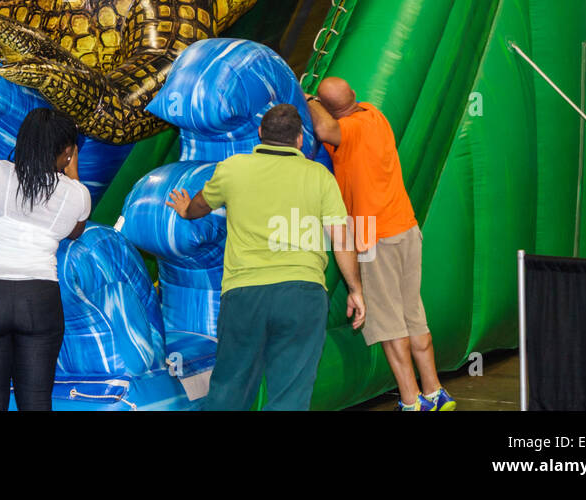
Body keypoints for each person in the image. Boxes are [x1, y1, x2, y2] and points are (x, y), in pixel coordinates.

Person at [167, 103, 365, 410]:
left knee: (229, 388)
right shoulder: (320, 176)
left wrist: (185, 210)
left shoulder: (233, 168)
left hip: (245, 294)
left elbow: (201, 205)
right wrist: (355, 289)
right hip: (303, 293)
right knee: (290, 394)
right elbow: (342, 238)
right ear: (300, 139)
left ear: (260, 134)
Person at [307, 76, 455, 411]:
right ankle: (435, 392)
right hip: (405, 228)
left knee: (389, 326)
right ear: (355, 96)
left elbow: (324, 131)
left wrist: (309, 100)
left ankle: (410, 401)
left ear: (329, 109)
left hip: (377, 237)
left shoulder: (348, 131)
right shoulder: (374, 114)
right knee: (414, 315)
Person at [0, 107, 91, 411]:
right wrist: (71, 170)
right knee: (37, 402)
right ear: (67, 151)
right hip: (39, 299)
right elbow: (76, 231)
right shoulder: (77, 195)